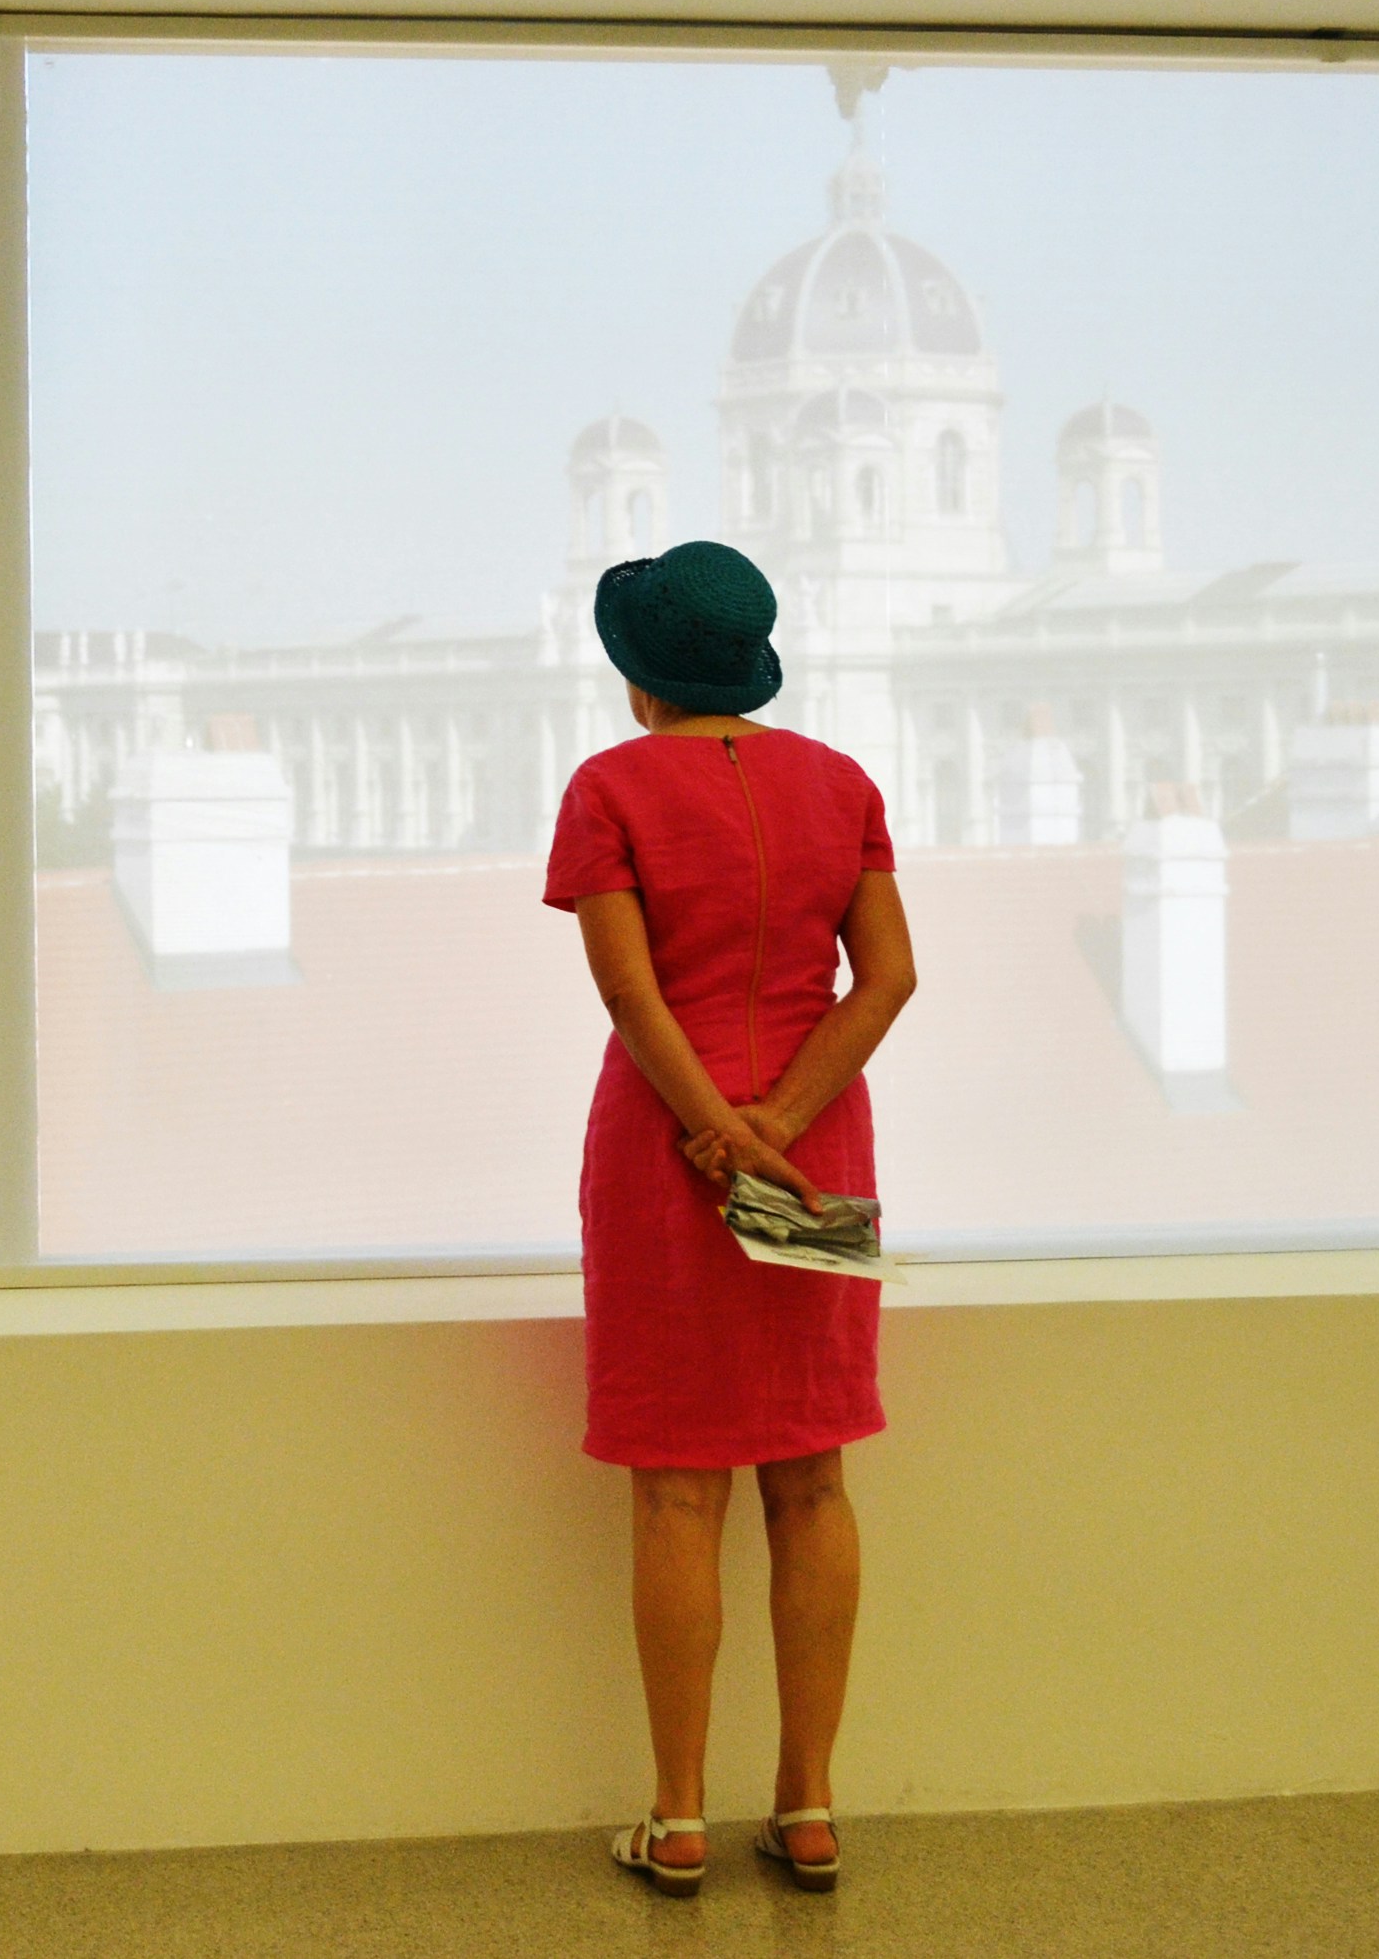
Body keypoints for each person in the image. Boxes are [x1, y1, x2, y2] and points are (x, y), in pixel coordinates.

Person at [541, 539, 918, 1899]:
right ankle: (810, 1804)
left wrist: (712, 1126)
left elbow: (633, 998)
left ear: (639, 677)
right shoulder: (842, 783)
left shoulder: (609, 788)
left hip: (662, 1151)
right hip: (816, 1153)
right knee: (813, 1473)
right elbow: (886, 978)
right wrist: (783, 1119)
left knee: (677, 1481)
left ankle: (680, 1816)